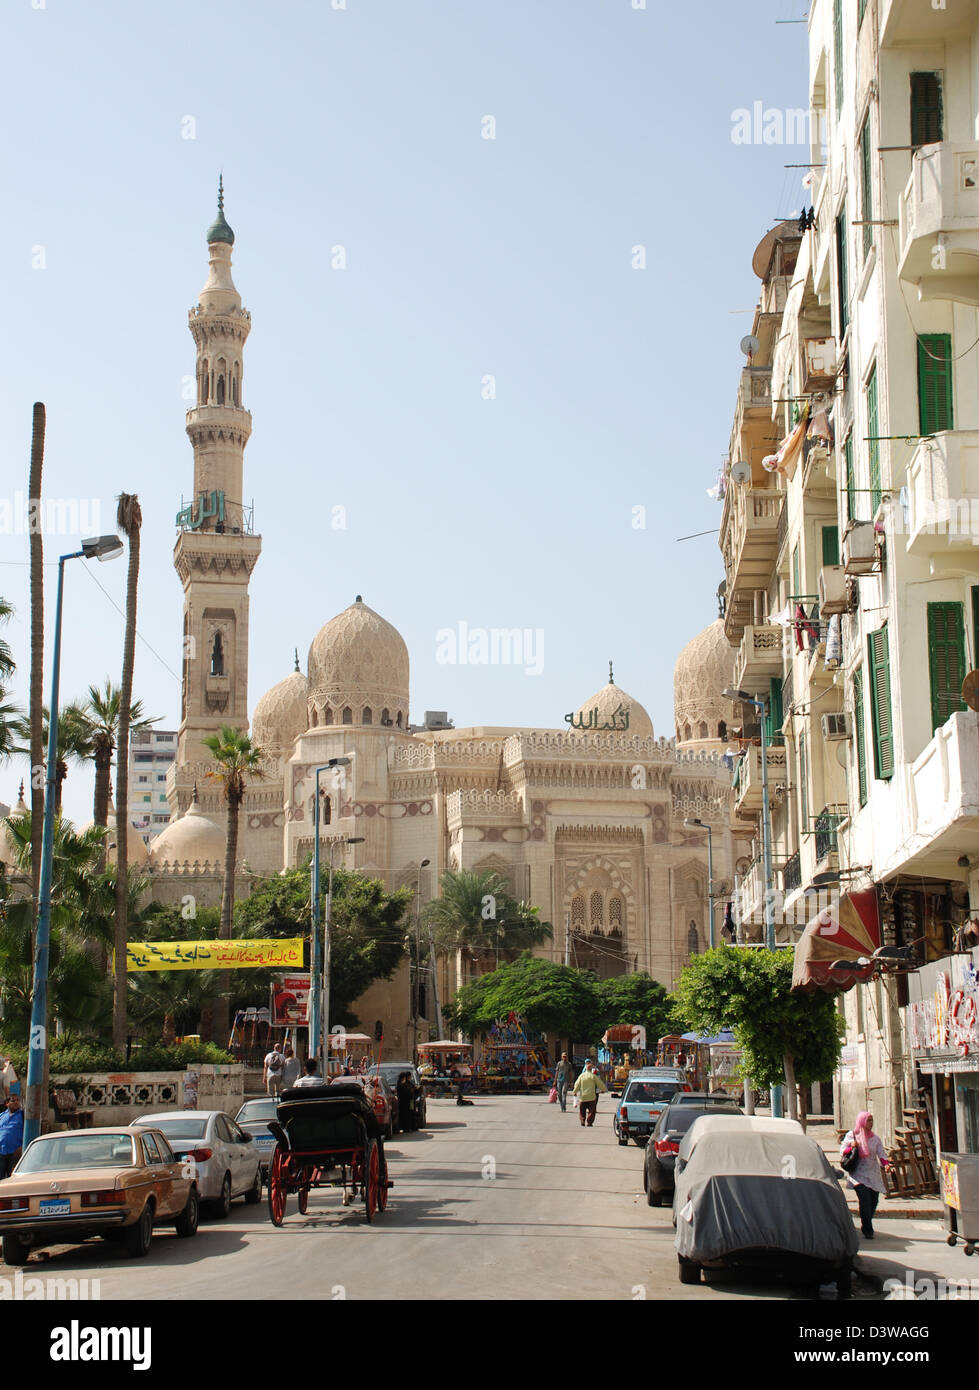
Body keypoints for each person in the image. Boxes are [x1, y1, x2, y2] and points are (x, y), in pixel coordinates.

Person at [841, 1111, 890, 1239]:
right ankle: (868, 1229)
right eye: (868, 1120)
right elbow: (843, 1151)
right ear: (862, 1121)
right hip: (858, 1174)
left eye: (872, 1120)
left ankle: (866, 1221)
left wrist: (887, 1164)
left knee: (874, 1200)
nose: (871, 1123)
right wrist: (851, 1147)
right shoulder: (852, 1136)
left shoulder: (875, 1139)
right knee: (865, 1200)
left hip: (873, 1174)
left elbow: (881, 1153)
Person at [573, 1060, 606, 1128]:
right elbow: (600, 1084)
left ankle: (582, 1121)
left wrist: (575, 1091)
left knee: (582, 1110)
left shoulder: (581, 1076)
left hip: (583, 1097)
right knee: (592, 1111)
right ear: (591, 1069)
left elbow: (577, 1084)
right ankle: (589, 1122)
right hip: (591, 1097)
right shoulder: (593, 1076)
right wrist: (603, 1090)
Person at [0, 1095, 24, 1179]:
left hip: (15, 1153)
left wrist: (22, 1146)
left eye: (18, 1100)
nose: (16, 1102)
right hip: (2, 1152)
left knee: (13, 1178)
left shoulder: (22, 1115)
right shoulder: (2, 1116)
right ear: (7, 1103)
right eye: (13, 1101)